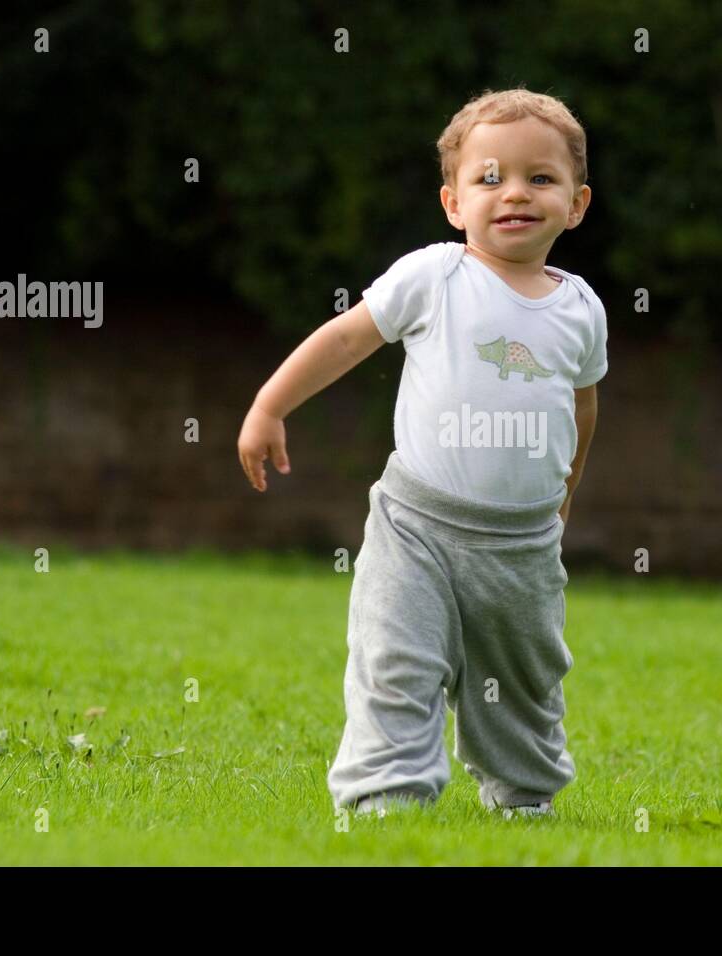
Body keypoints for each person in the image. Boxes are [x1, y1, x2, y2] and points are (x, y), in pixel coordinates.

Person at [237, 88, 608, 819]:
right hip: (418, 526)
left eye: (541, 179)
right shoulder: (434, 275)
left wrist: (565, 494)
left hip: (523, 544)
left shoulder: (581, 308)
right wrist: (269, 405)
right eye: (490, 177)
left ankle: (524, 797)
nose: (515, 194)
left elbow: (581, 407)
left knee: (523, 681)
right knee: (396, 662)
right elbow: (346, 338)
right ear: (452, 202)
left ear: (577, 204)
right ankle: (385, 798)